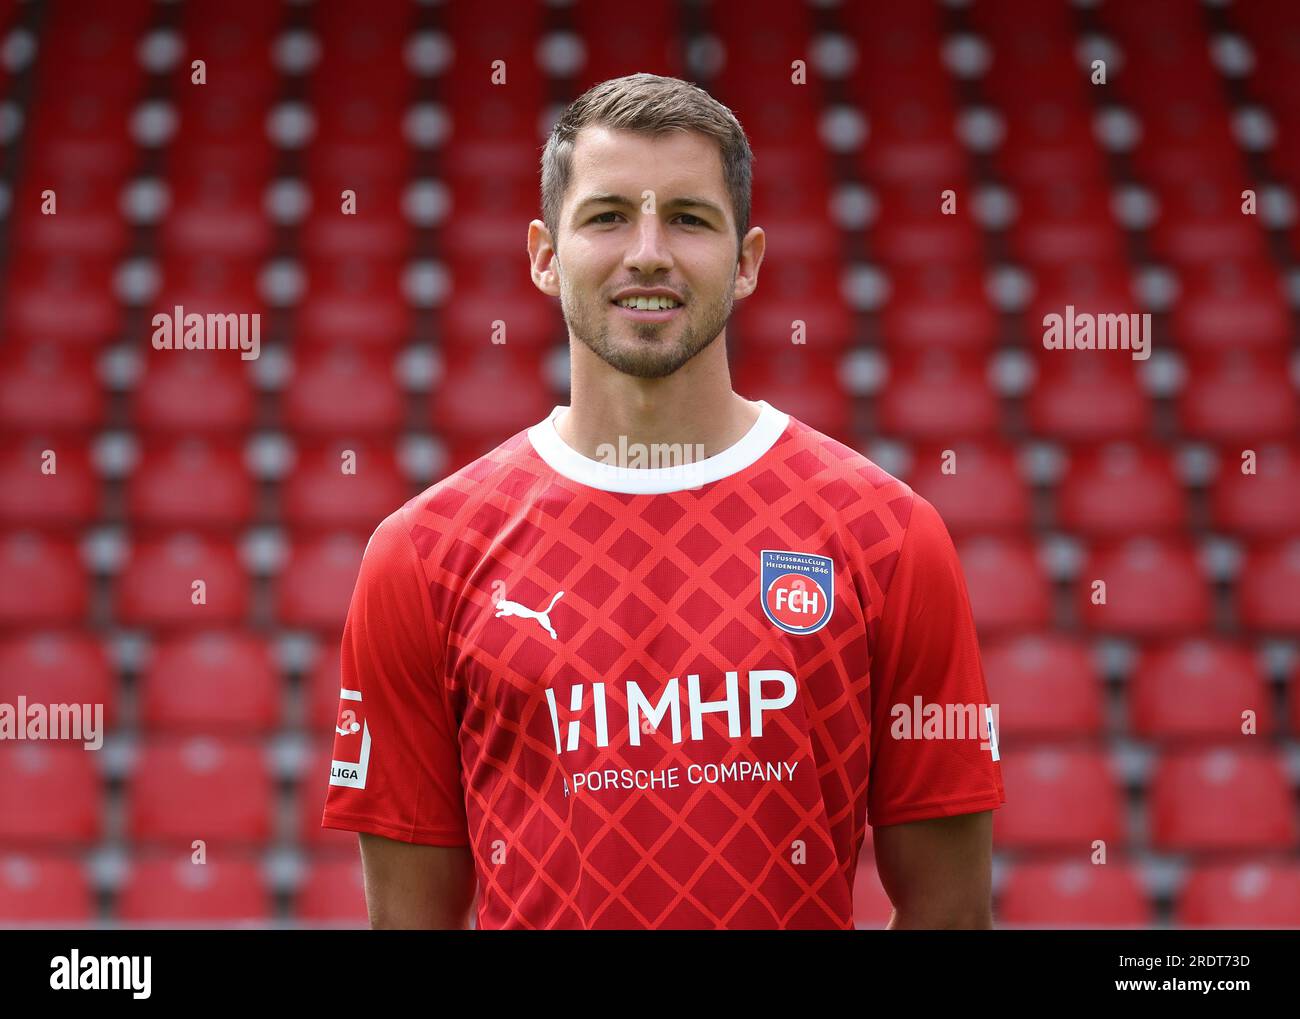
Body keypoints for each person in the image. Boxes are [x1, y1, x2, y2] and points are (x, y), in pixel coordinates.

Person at [322, 73, 1005, 929]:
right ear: (544, 254)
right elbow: (412, 924)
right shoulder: (422, 556)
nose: (648, 251)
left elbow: (950, 912)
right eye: (608, 216)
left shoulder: (888, 537)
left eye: (688, 217)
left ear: (747, 260)